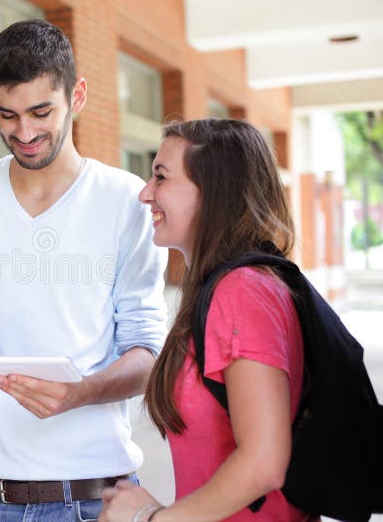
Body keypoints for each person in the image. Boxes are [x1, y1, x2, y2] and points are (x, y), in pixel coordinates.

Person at [0, 19, 168, 521]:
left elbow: (148, 352)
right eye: (8, 114)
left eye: (41, 111)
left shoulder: (126, 200)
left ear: (78, 96)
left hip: (93, 499)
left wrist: (81, 393)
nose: (23, 133)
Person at [98, 118, 319, 521]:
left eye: (160, 177)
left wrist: (151, 517)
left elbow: (264, 462)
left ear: (213, 192)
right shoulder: (234, 286)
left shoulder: (242, 292)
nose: (146, 193)